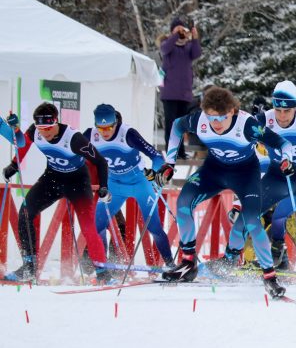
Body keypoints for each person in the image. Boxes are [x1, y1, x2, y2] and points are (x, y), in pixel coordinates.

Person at [160, 86, 294, 299]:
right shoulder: (199, 120)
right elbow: (177, 126)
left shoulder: (247, 124)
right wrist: (169, 162)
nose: (216, 123)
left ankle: (269, 277)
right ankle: (187, 263)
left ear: (232, 111)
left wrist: (286, 159)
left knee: (252, 221)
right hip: (214, 171)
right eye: (212, 117)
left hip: (245, 174)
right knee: (184, 201)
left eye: (221, 117)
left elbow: (283, 143)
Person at [225, 81, 296, 280]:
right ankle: (228, 260)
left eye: (287, 110)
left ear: (295, 106)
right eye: (278, 110)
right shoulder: (264, 119)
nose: (282, 115)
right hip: (276, 177)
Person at [1, 103, 112, 283]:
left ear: (56, 122)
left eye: (48, 128)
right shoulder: (35, 131)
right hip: (52, 178)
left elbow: (100, 162)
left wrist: (104, 186)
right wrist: (14, 165)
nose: (44, 133)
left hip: (77, 182)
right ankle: (29, 267)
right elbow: (22, 144)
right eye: (41, 128)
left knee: (87, 227)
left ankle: (103, 273)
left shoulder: (74, 138)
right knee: (25, 213)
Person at [85, 104, 174, 265]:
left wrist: (156, 175)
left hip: (140, 182)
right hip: (115, 184)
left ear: (116, 123)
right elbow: (72, 153)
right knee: (97, 225)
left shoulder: (128, 134)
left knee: (153, 227)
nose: (105, 132)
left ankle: (170, 265)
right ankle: (102, 266)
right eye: (101, 128)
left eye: (109, 127)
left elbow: (156, 156)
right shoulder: (90, 135)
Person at [159, 17, 202, 147]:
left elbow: (196, 53)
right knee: (171, 123)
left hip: (184, 93)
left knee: (181, 124)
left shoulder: (187, 46)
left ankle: (180, 149)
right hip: (170, 93)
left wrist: (194, 38)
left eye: (182, 29)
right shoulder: (167, 43)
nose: (180, 31)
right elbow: (165, 49)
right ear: (172, 31)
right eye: (177, 29)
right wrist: (175, 35)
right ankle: (171, 149)